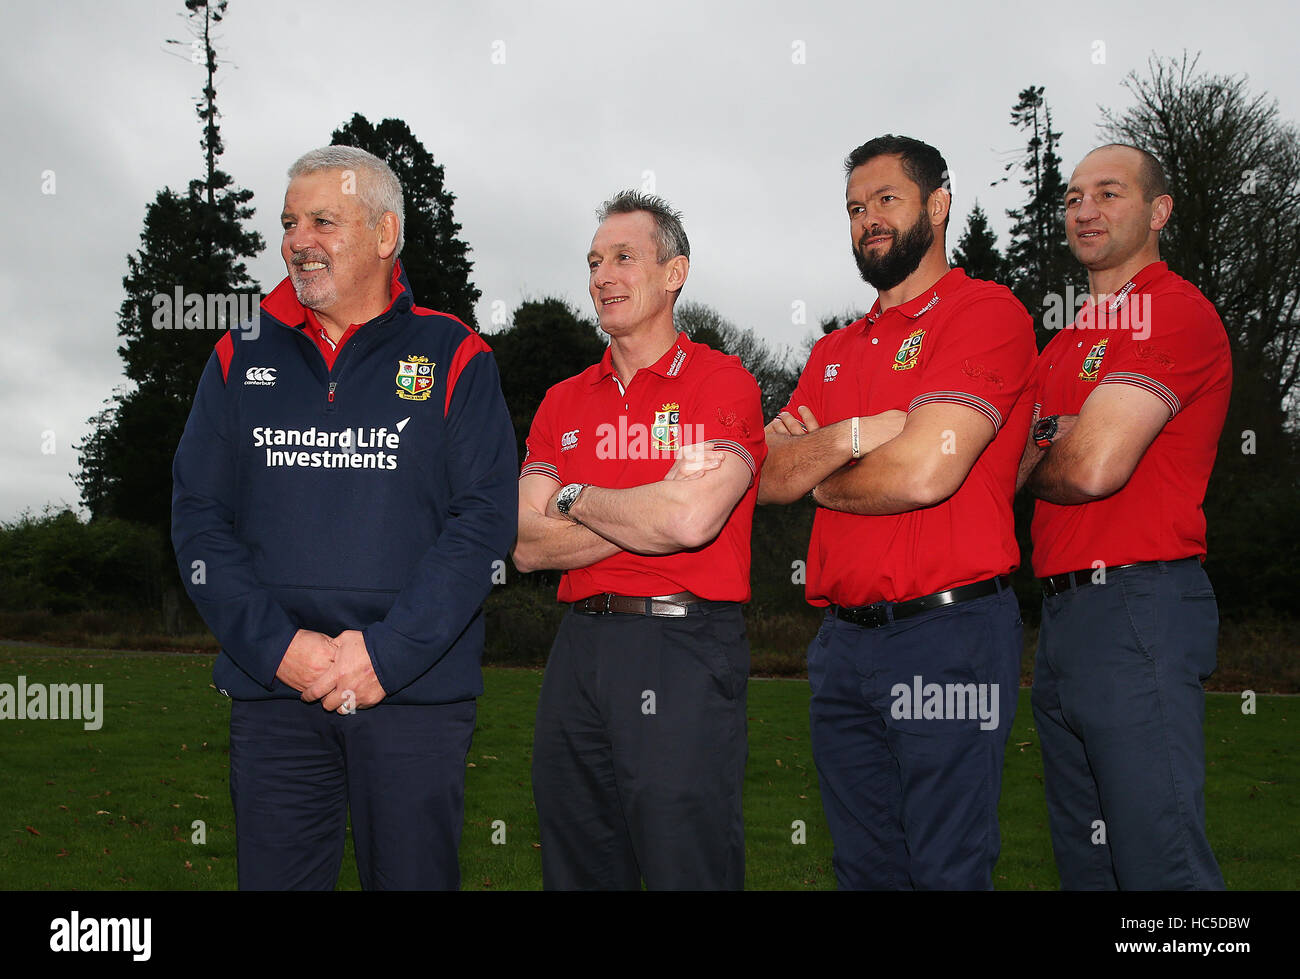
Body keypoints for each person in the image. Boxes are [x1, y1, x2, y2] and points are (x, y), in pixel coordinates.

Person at [171, 145, 516, 890]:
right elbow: (199, 518)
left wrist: (386, 655)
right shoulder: (238, 354)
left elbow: (482, 522)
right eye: (290, 222)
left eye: (324, 220)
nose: (299, 240)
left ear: (385, 235)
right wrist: (277, 647)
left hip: (412, 694)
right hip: (277, 694)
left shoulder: (455, 354)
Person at [759, 134, 1037, 889]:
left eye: (887, 200)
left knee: (947, 866)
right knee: (864, 868)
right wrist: (851, 435)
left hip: (948, 635)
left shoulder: (988, 313)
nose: (868, 219)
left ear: (938, 205)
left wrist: (821, 470)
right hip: (843, 645)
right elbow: (764, 473)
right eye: (855, 208)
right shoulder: (833, 351)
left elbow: (923, 470)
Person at [513, 189, 765, 890]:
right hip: (580, 649)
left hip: (682, 646)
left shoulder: (725, 382)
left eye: (624, 257)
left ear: (673, 273)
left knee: (686, 863)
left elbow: (689, 523)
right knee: (579, 862)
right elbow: (527, 544)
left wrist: (574, 497)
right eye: (594, 261)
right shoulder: (563, 399)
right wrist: (646, 508)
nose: (602, 276)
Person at [1017, 143, 1230, 890]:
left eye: (1108, 193)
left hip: (1139, 605)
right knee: (1092, 867)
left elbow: (1091, 465)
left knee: (1160, 867)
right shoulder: (1062, 344)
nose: (1084, 209)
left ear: (1158, 211)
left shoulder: (1174, 311)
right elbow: (1020, 457)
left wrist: (1051, 445)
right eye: (1074, 197)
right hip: (1064, 621)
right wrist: (1057, 437)